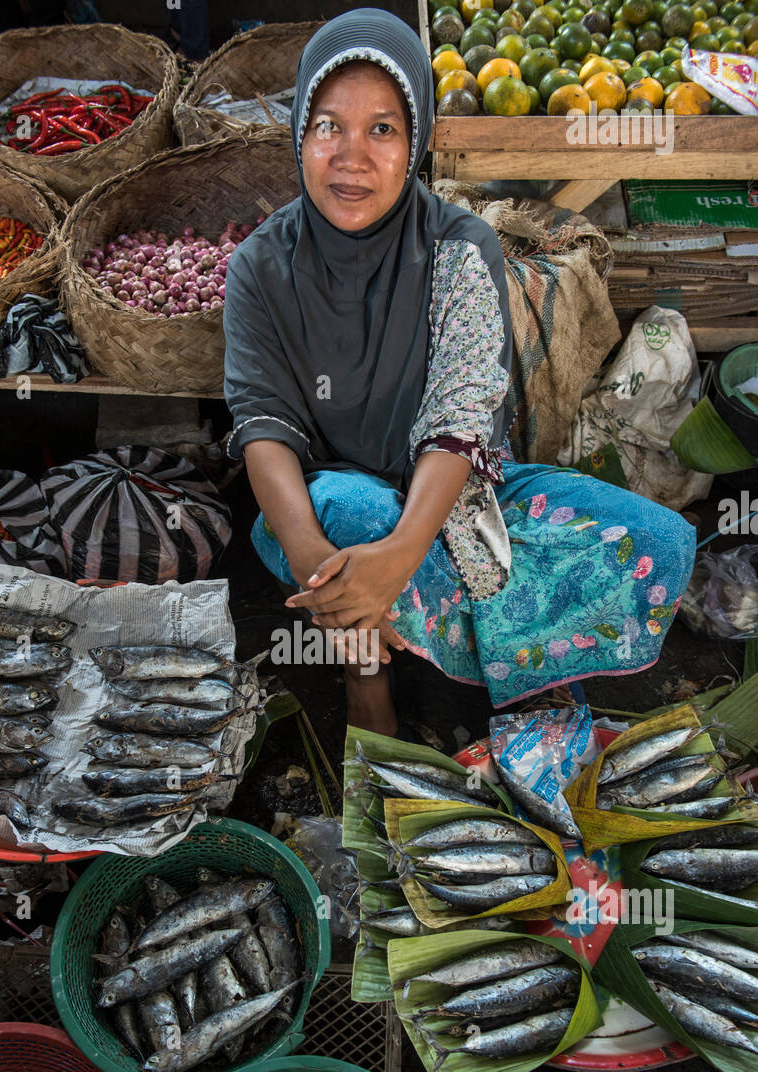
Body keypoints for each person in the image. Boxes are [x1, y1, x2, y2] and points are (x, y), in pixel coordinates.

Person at [222, 8, 696, 736]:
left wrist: (399, 559)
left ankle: (515, 688)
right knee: (352, 512)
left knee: (658, 539)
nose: (352, 156)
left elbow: (460, 415)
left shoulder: (457, 243)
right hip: (335, 497)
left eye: (382, 128)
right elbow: (264, 425)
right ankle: (366, 677)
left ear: (416, 142)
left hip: (462, 489)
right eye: (328, 126)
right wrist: (318, 563)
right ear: (299, 136)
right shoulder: (262, 264)